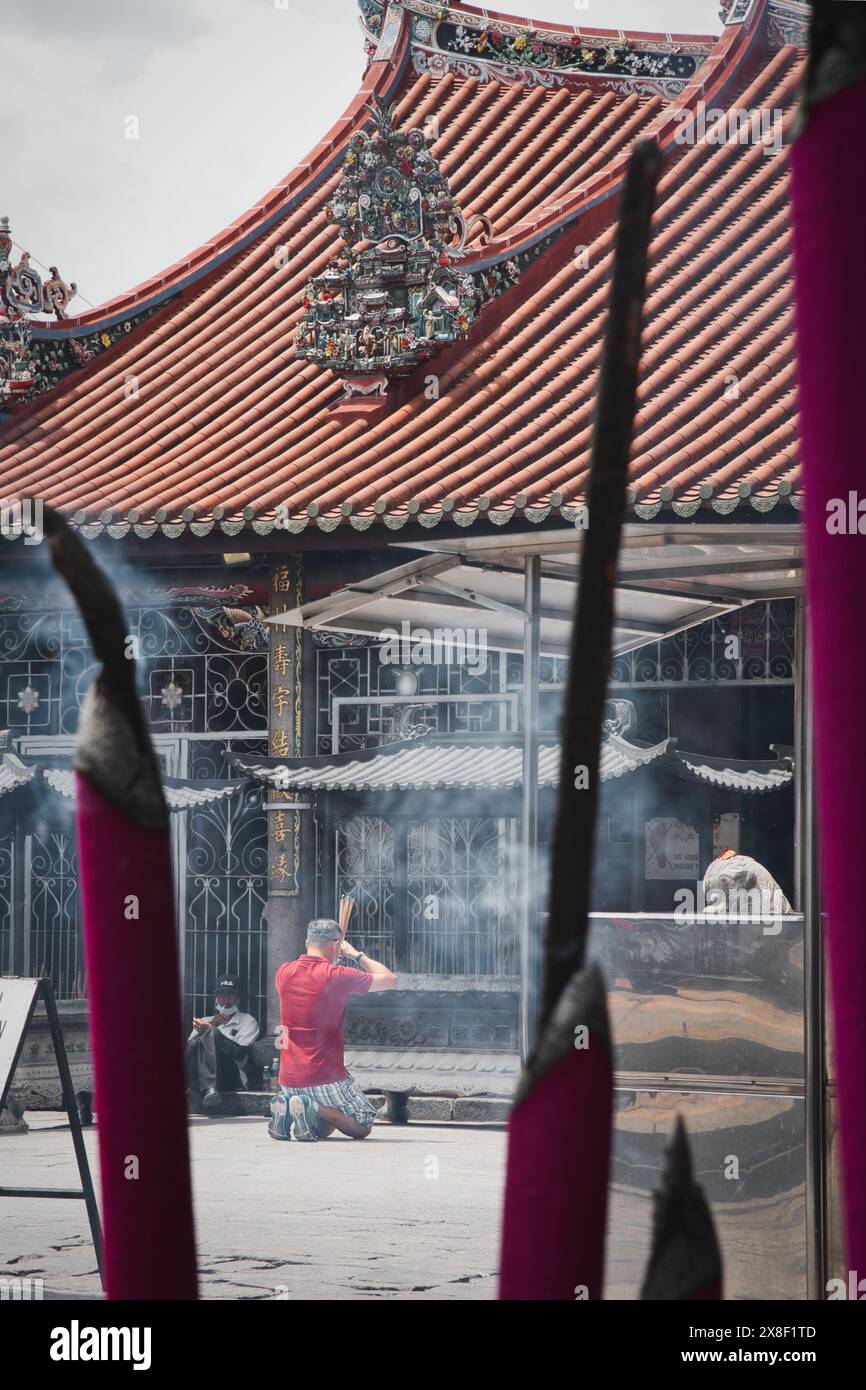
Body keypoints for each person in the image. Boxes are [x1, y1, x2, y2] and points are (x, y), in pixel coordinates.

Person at [269, 919, 397, 1142]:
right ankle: (312, 1107)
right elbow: (390, 980)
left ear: (307, 941)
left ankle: (289, 1110)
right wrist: (355, 954)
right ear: (336, 945)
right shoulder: (336, 975)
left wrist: (334, 954)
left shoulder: (284, 972)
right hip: (323, 1076)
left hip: (288, 1079)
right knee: (363, 1122)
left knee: (323, 1127)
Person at [186, 977, 259, 1112]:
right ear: (216, 998)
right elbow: (189, 1048)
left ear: (238, 999)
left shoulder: (248, 1021)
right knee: (194, 1043)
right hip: (200, 1076)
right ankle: (207, 1090)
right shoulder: (205, 1020)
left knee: (211, 1033)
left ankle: (210, 1088)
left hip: (230, 1076)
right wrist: (211, 1025)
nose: (226, 999)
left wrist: (213, 1032)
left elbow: (240, 1053)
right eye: (222, 994)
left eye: (230, 995)